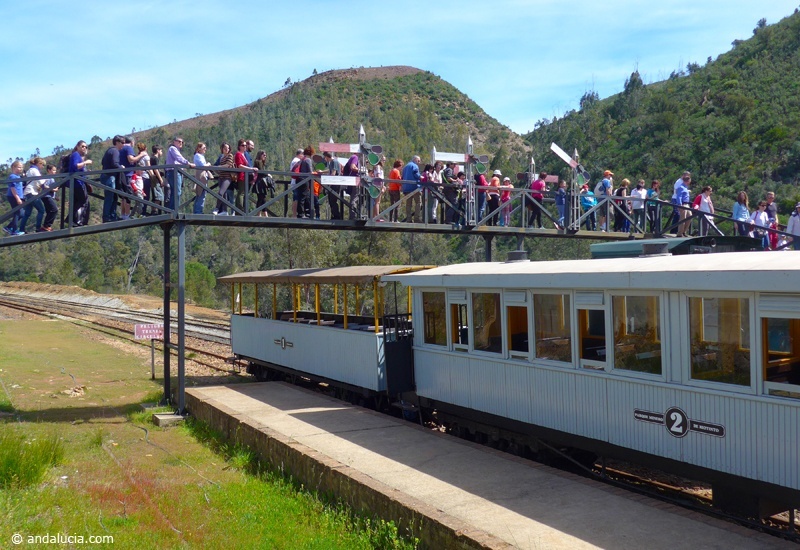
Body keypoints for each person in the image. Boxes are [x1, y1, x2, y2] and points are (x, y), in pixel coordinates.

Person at [165, 136, 194, 211]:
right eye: (179, 141)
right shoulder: (173, 148)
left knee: (175, 192)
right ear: (174, 142)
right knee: (177, 192)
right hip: (174, 172)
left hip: (175, 172)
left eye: (182, 142)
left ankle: (172, 210)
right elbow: (179, 158)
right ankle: (174, 210)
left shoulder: (176, 150)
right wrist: (188, 163)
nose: (181, 143)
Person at [19, 158, 47, 233]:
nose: (43, 167)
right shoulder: (35, 170)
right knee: (41, 210)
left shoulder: (29, 170)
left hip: (27, 193)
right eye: (42, 165)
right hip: (32, 193)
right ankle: (38, 228)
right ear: (39, 164)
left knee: (27, 213)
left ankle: (21, 229)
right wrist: (48, 180)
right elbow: (41, 181)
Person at [68, 140, 92, 226]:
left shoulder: (77, 156)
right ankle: (77, 221)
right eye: (82, 146)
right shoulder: (76, 155)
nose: (84, 148)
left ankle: (72, 219)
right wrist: (86, 162)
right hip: (77, 182)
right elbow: (75, 166)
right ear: (77, 147)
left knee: (79, 201)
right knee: (83, 202)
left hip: (77, 182)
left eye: (86, 147)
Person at [101, 135, 124, 222]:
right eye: (122, 143)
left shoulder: (109, 150)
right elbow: (115, 163)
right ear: (117, 142)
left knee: (113, 197)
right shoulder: (115, 151)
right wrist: (121, 168)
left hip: (106, 176)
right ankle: (107, 217)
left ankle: (111, 215)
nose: (123, 145)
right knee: (110, 197)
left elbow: (102, 162)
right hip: (109, 177)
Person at [213, 142, 235, 215]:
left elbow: (228, 165)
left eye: (228, 148)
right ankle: (224, 211)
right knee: (224, 195)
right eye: (225, 148)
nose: (227, 149)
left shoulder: (230, 156)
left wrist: (218, 167)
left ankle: (216, 208)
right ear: (222, 149)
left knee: (220, 193)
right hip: (221, 177)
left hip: (227, 177)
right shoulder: (222, 157)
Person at [3, 160, 25, 235]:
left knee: (21, 213)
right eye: (19, 167)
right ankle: (14, 230)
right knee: (18, 212)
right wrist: (17, 198)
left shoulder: (18, 177)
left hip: (18, 197)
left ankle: (9, 227)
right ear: (13, 167)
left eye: (21, 167)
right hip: (13, 196)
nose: (21, 169)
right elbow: (12, 188)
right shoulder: (12, 176)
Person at [297, 145, 315, 219]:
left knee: (302, 197)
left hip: (300, 180)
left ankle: (302, 213)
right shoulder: (308, 160)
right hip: (305, 180)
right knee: (303, 197)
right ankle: (301, 214)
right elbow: (310, 172)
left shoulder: (302, 159)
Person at [402, 155, 422, 223]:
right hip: (414, 187)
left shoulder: (405, 167)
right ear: (415, 160)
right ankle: (416, 218)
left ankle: (409, 219)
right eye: (418, 161)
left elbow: (402, 177)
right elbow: (416, 174)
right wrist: (421, 177)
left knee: (408, 204)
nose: (419, 162)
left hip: (406, 188)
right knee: (418, 202)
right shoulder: (415, 166)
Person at [39, 164, 59, 231]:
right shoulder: (47, 177)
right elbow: (44, 186)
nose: (55, 172)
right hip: (46, 196)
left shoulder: (52, 178)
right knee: (54, 209)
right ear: (49, 170)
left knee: (49, 211)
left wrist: (55, 197)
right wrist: (54, 190)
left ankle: (45, 226)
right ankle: (46, 225)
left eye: (55, 170)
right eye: (53, 170)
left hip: (48, 196)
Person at [193, 142, 211, 214]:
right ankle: (198, 211)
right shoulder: (197, 156)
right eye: (204, 148)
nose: (205, 149)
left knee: (201, 194)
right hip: (201, 176)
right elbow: (203, 166)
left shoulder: (200, 156)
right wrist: (208, 164)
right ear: (199, 148)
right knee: (201, 194)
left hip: (202, 176)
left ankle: (198, 210)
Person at [324, 151, 343, 220]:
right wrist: (322, 172)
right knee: (331, 200)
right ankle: (334, 215)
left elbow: (333, 172)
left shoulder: (334, 162)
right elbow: (330, 170)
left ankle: (337, 216)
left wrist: (329, 183)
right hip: (333, 183)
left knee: (333, 200)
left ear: (326, 156)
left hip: (335, 184)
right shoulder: (332, 162)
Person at [253, 150, 271, 217]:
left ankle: (264, 214)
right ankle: (259, 214)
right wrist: (268, 174)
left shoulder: (262, 163)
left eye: (265, 155)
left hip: (261, 182)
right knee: (261, 198)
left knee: (262, 198)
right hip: (259, 182)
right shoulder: (258, 162)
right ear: (260, 155)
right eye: (264, 155)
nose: (265, 156)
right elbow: (261, 172)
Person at [342, 154, 359, 219]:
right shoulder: (355, 157)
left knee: (354, 198)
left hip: (352, 181)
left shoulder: (352, 157)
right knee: (354, 199)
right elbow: (353, 167)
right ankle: (353, 216)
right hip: (355, 181)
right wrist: (362, 170)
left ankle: (354, 215)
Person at [136, 142, 151, 216]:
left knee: (140, 195)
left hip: (139, 178)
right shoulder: (146, 157)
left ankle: (139, 212)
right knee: (146, 195)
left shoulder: (138, 156)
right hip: (145, 177)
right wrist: (153, 176)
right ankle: (143, 212)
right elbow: (149, 168)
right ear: (145, 148)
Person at [149, 145, 165, 213]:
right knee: (158, 195)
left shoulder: (152, 158)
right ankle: (155, 211)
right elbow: (155, 169)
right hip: (155, 179)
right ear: (158, 150)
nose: (162, 152)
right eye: (161, 151)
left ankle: (154, 210)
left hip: (152, 179)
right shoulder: (155, 158)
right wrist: (161, 179)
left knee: (155, 195)